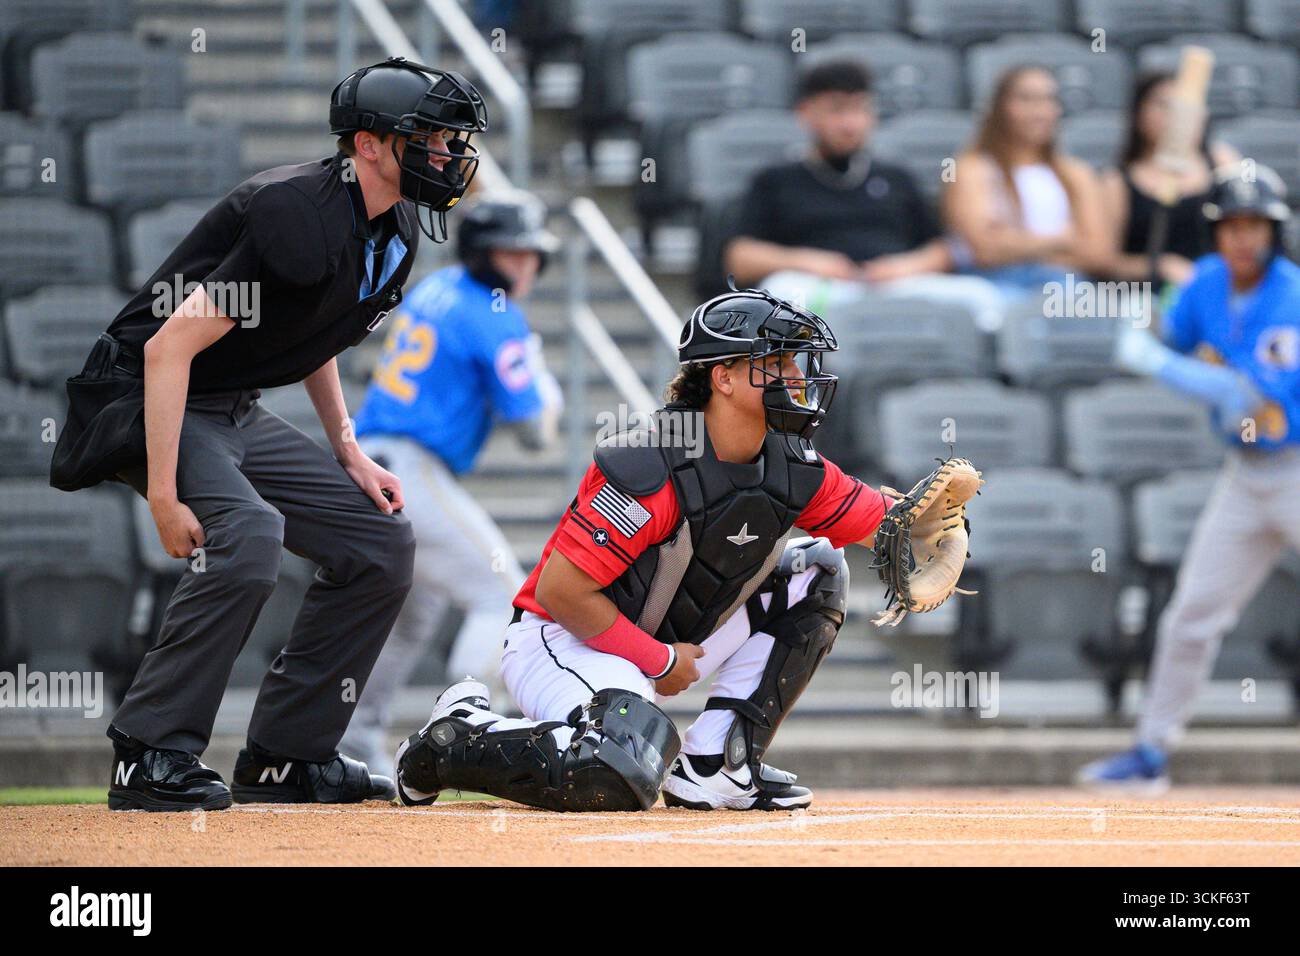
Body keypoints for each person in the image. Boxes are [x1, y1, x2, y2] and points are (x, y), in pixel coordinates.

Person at [47, 57, 488, 812]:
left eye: (451, 141)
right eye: (431, 138)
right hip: (150, 393)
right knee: (250, 532)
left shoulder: (395, 229)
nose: (448, 155)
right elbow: (167, 348)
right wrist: (161, 494)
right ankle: (148, 754)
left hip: (231, 406)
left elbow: (315, 335)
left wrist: (347, 449)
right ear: (369, 145)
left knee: (381, 542)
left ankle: (288, 756)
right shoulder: (298, 211)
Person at [392, 286, 925, 813]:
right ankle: (454, 738)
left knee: (819, 570)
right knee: (616, 766)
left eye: (794, 361)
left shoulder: (793, 465)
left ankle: (719, 765)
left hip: (664, 644)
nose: (796, 376)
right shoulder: (652, 463)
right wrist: (659, 658)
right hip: (563, 639)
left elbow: (885, 519)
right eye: (777, 361)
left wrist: (937, 522)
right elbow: (561, 592)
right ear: (723, 377)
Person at [1079, 162, 1300, 793]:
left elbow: (1249, 397)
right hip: (1246, 476)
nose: (1244, 238)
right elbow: (1176, 339)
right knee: (1191, 617)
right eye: (1232, 226)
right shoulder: (1205, 281)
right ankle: (1151, 752)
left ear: (1273, 231)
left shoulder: (1291, 295)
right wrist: (1149, 323)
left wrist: (1153, 363)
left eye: (1256, 225)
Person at [339, 190, 563, 777]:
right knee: (501, 596)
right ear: (483, 254)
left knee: (411, 615)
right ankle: (464, 736)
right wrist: (542, 380)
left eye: (529, 255)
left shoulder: (438, 289)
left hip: (374, 458)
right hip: (406, 466)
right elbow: (534, 429)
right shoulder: (491, 309)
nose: (524, 267)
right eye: (512, 254)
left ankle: (348, 744)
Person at [723, 59, 1003, 329]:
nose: (850, 124)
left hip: (896, 287)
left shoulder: (896, 177)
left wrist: (905, 266)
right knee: (782, 297)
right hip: (820, 290)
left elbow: (944, 250)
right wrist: (808, 262)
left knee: (979, 296)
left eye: (859, 110)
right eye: (836, 111)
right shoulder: (776, 180)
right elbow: (741, 257)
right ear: (806, 114)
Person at [945, 65, 1109, 302]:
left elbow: (1098, 253)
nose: (1040, 111)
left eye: (1048, 100)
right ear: (1001, 107)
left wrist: (1013, 242)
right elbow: (984, 250)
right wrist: (1062, 240)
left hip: (1065, 285)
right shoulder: (972, 169)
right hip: (994, 286)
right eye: (1027, 99)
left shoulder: (1076, 173)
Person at [1098, 71, 1239, 290]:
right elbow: (1105, 261)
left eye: (1185, 106)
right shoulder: (1117, 181)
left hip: (1218, 291)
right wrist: (1160, 266)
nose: (1176, 116)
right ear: (1139, 114)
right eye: (1164, 105)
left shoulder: (1222, 163)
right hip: (1147, 299)